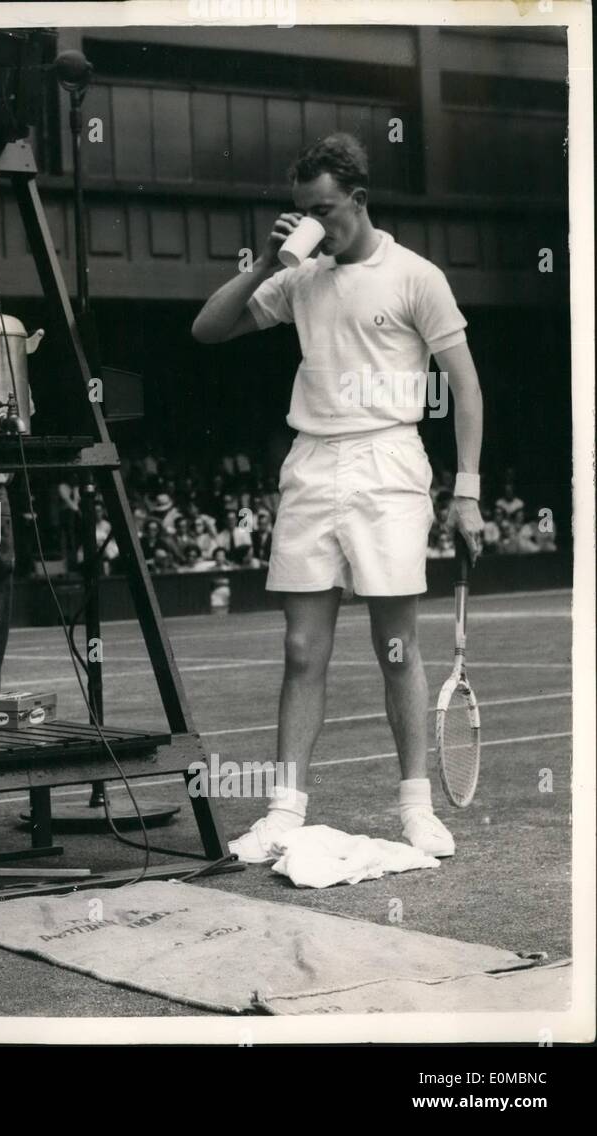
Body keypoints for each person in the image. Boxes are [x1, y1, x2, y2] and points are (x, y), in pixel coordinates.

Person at [192, 133, 483, 862]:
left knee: (395, 646)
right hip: (313, 463)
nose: (313, 224)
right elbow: (207, 330)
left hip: (389, 462)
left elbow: (467, 388)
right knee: (301, 649)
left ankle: (416, 808)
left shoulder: (416, 276)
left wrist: (468, 490)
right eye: (302, 211)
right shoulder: (300, 278)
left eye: (323, 210)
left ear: (358, 199)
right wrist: (268, 260)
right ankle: (284, 812)